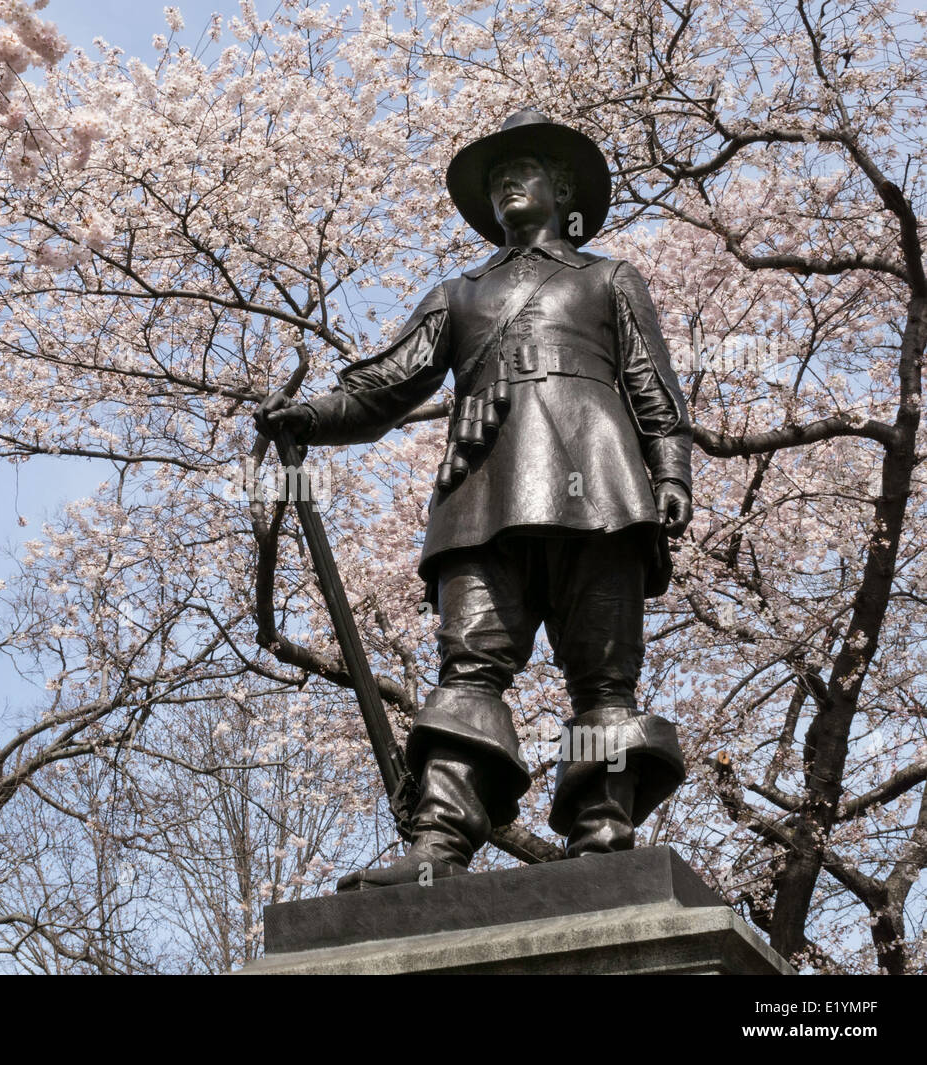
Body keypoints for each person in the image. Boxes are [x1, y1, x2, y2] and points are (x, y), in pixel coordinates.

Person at [255, 110, 694, 891]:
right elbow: (388, 384)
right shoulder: (458, 296)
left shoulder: (608, 279)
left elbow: (653, 388)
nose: (506, 183)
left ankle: (603, 836)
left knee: (603, 676)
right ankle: (440, 840)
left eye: (523, 169)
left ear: (563, 189)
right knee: (469, 662)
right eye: (495, 178)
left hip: (600, 487)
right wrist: (312, 416)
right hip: (485, 490)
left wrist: (672, 473)